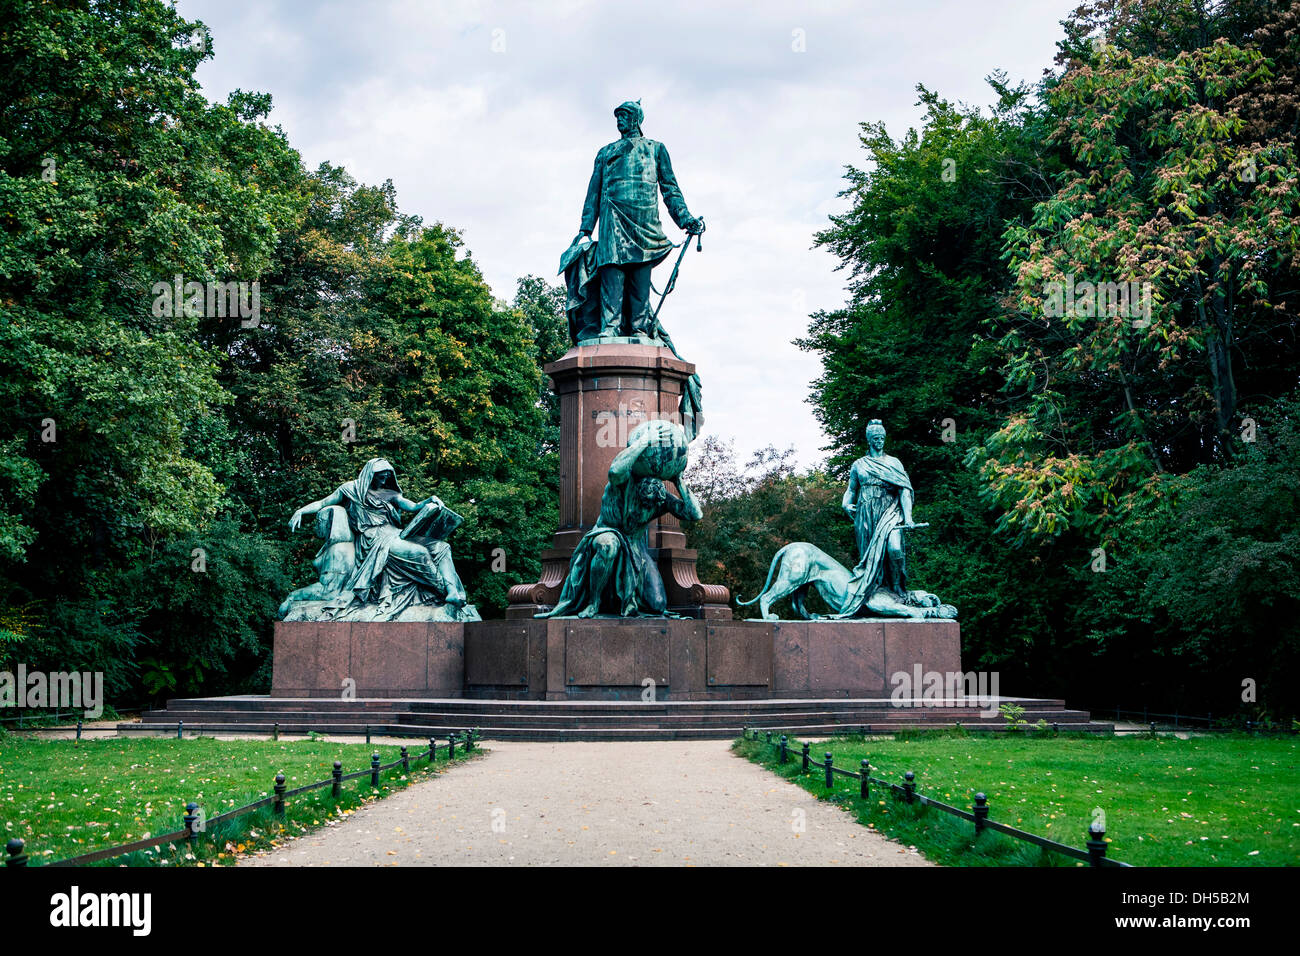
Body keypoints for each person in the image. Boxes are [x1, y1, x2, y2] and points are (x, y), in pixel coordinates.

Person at [539, 421, 701, 618]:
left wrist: (678, 480)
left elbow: (694, 514)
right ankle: (593, 603)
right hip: (607, 532)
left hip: (635, 548)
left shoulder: (659, 498)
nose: (648, 505)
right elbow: (614, 471)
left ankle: (625, 598)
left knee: (657, 604)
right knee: (608, 545)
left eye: (651, 503)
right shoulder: (623, 481)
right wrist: (644, 442)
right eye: (645, 499)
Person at [576, 100, 704, 337]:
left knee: (639, 281)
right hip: (612, 221)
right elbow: (593, 193)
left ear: (636, 118)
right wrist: (585, 229)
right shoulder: (605, 153)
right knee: (611, 275)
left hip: (645, 224)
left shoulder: (655, 149)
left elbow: (670, 190)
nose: (619, 121)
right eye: (617, 117)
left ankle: (638, 329)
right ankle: (610, 328)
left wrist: (686, 219)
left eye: (624, 116)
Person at [288, 458, 468, 620]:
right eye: (380, 476)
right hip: (374, 539)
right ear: (370, 474)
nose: (384, 480)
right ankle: (442, 591)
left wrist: (430, 500)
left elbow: (413, 507)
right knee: (418, 552)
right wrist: (301, 511)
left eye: (387, 476)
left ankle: (453, 591)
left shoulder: (390, 493)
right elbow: (323, 502)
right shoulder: (351, 489)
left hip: (395, 533)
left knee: (442, 547)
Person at [841, 420, 916, 599]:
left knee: (895, 548)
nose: (880, 441)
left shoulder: (894, 463)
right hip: (866, 514)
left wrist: (908, 518)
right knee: (870, 558)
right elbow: (851, 489)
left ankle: (897, 585)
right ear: (869, 440)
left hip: (890, 512)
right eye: (876, 438)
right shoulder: (859, 464)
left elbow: (904, 490)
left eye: (882, 437)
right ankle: (874, 590)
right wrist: (845, 503)